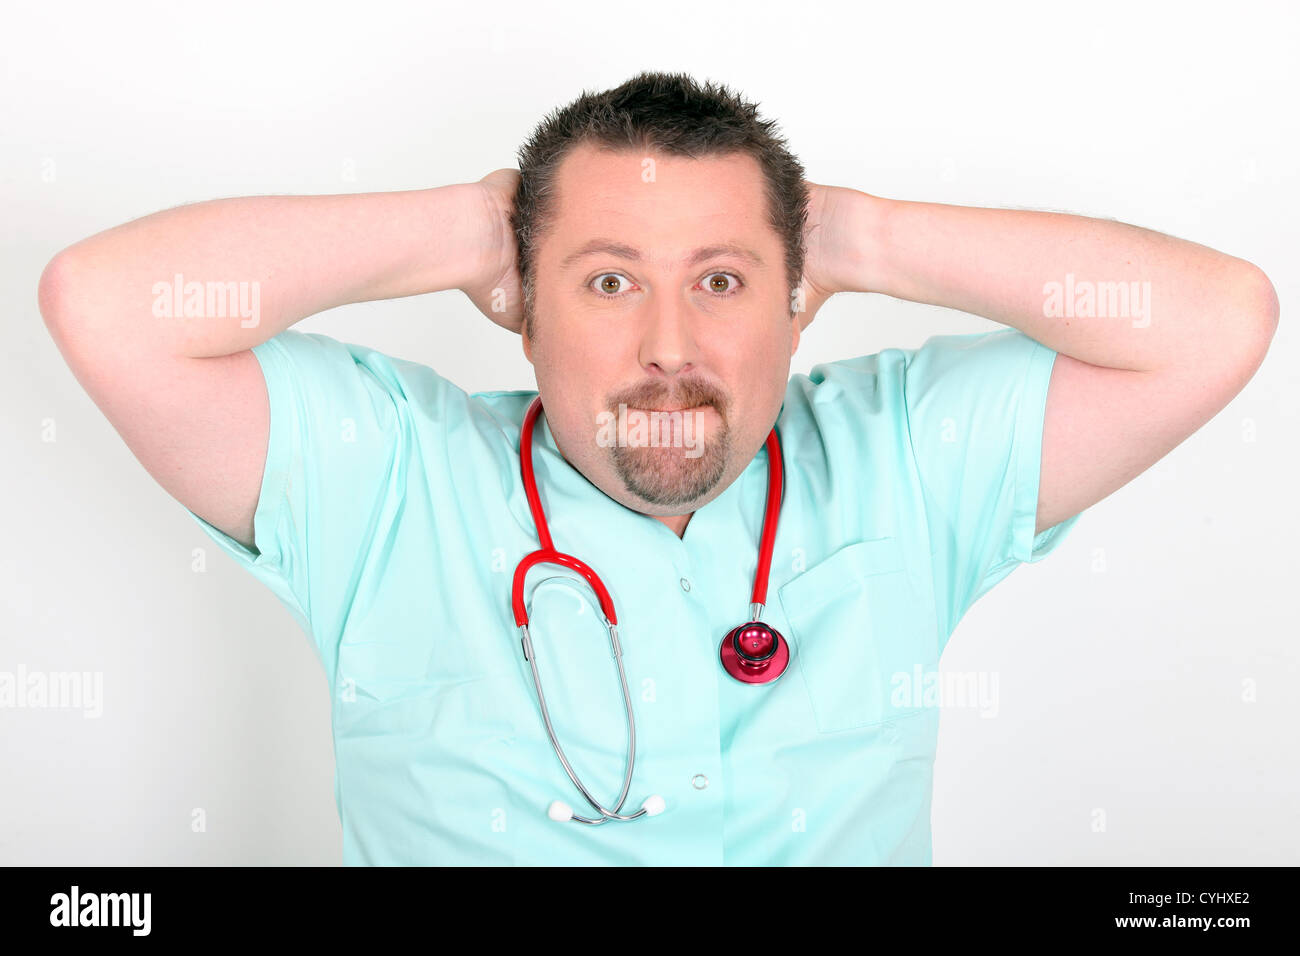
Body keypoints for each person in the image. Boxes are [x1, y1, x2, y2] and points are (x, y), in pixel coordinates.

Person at [38, 71, 1279, 866]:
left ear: (801, 303)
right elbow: (105, 302)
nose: (671, 348)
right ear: (520, 306)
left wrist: (852, 230)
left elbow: (1215, 319)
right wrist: (476, 224)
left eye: (724, 280)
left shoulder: (904, 460)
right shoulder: (384, 480)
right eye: (610, 279)